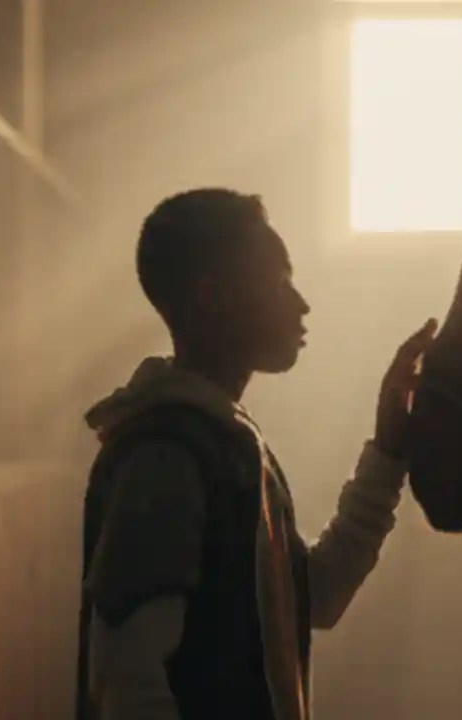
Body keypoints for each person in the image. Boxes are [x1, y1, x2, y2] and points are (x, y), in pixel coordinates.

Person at [75, 187, 436, 720]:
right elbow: (129, 681)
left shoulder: (227, 446)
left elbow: (318, 596)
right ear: (213, 295)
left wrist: (387, 450)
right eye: (279, 279)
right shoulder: (166, 455)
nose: (301, 302)